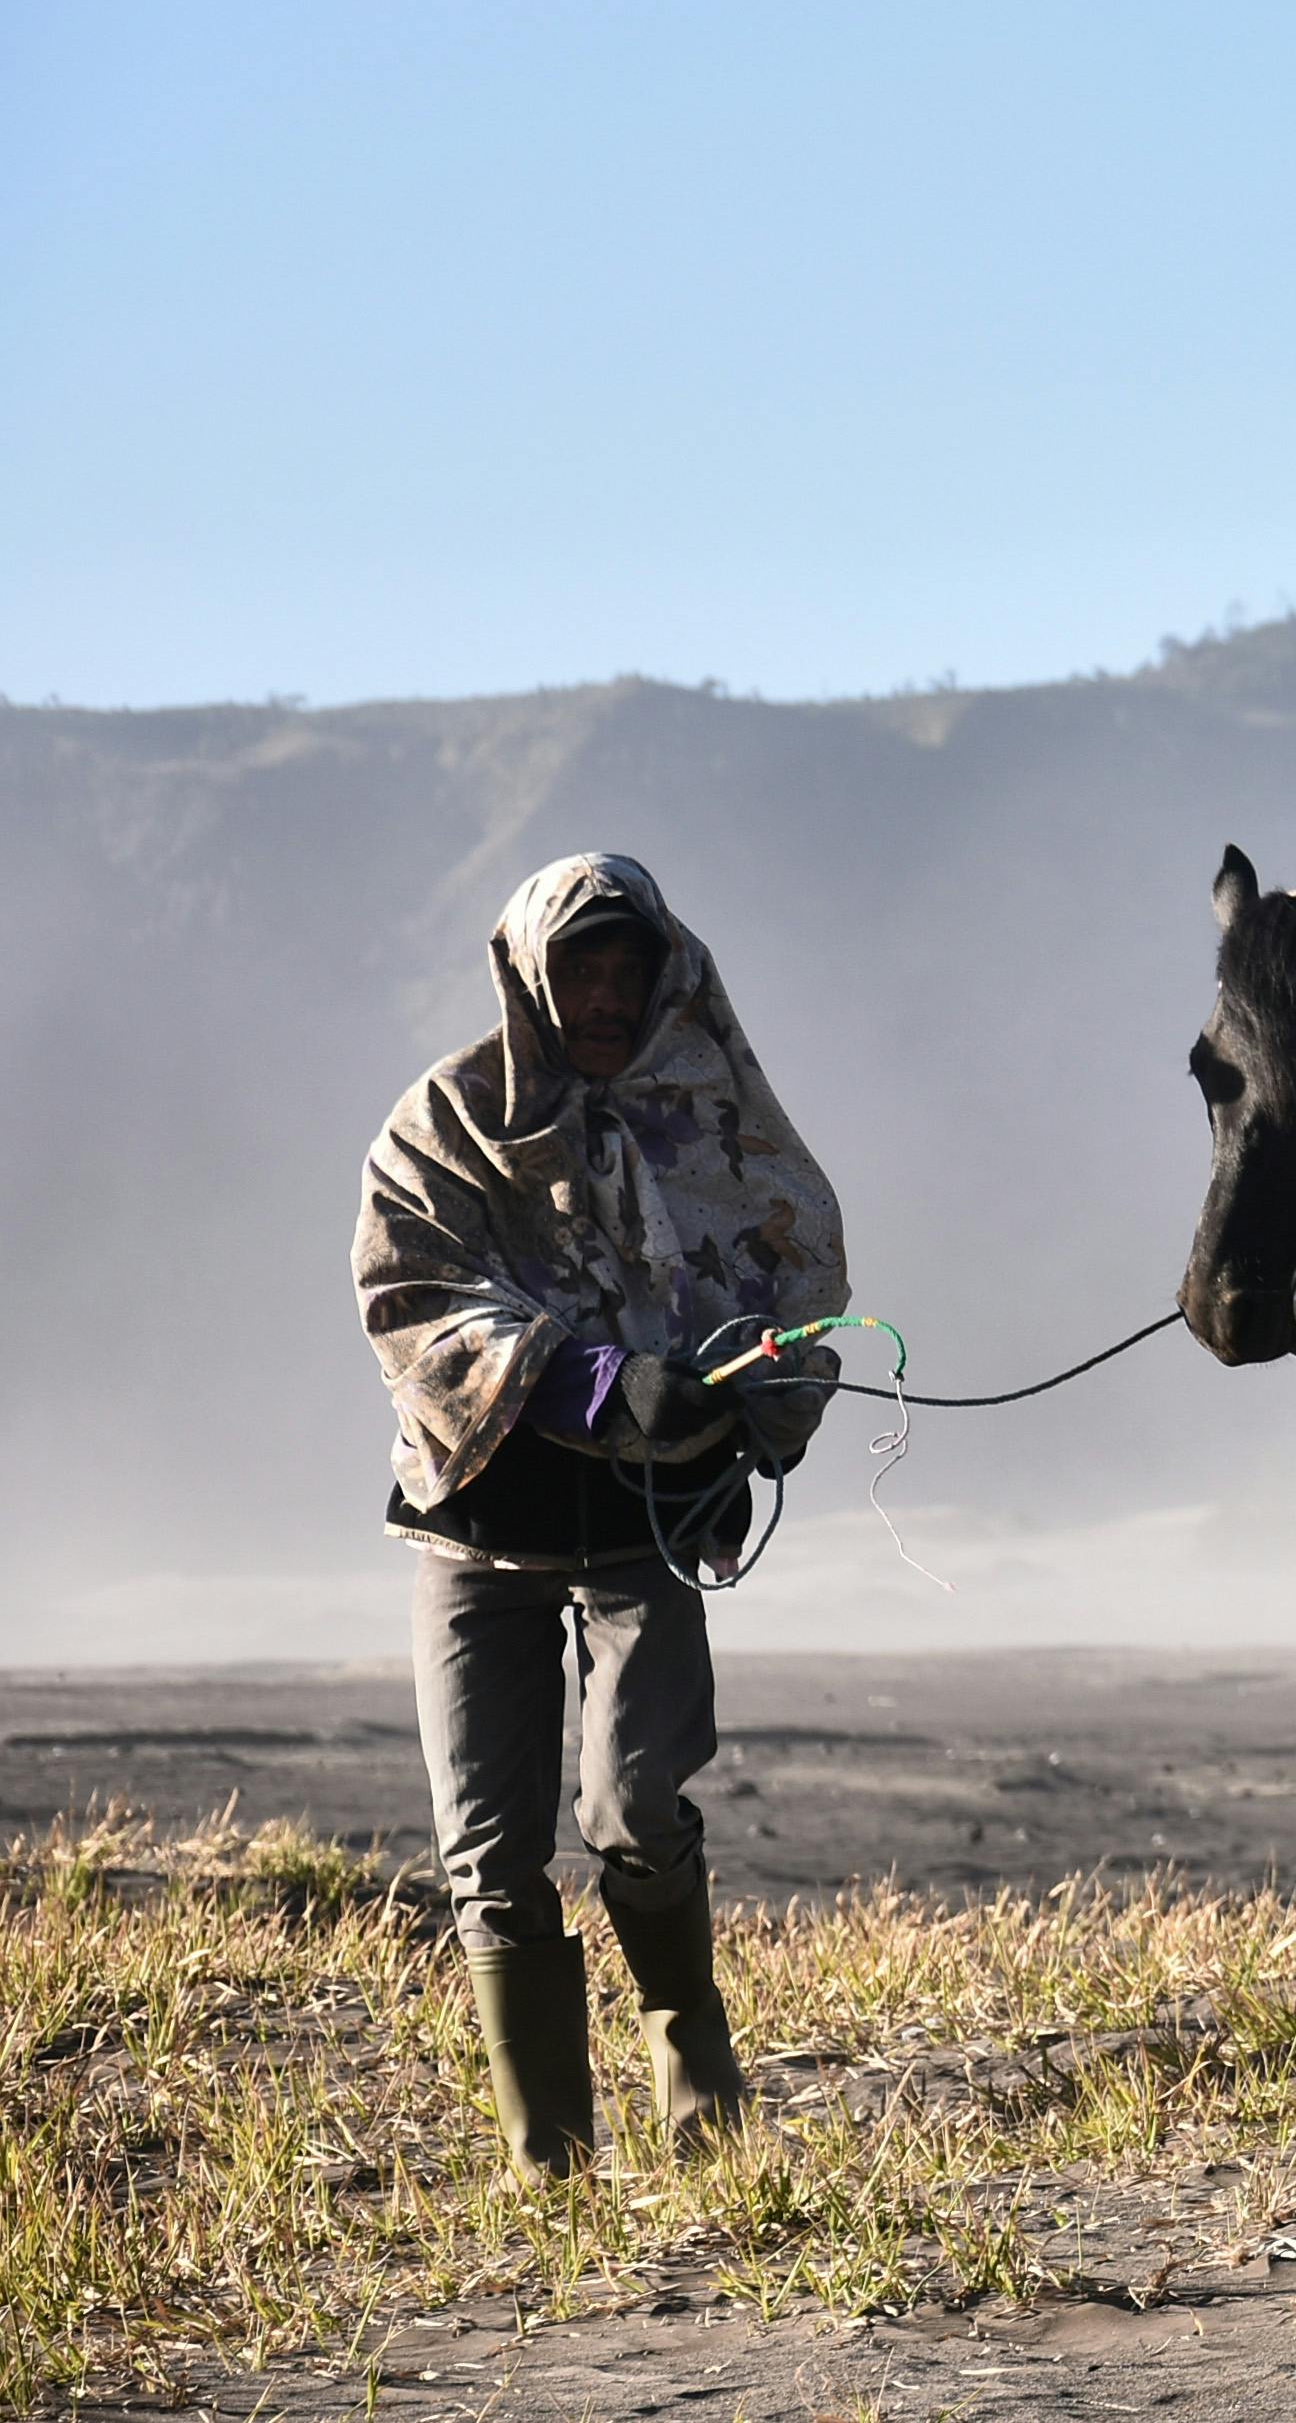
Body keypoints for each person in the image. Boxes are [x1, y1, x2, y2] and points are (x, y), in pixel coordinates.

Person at [353, 853, 843, 2180]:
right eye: (583, 966)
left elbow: (791, 1268)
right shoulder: (441, 1124)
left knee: (632, 1804)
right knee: (492, 1861)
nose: (610, 992)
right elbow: (412, 1302)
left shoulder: (713, 1118)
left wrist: (745, 1414)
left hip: (642, 1532)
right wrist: (598, 1376)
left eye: (632, 967)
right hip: (473, 1531)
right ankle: (551, 2168)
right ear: (528, 972)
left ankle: (700, 2078)